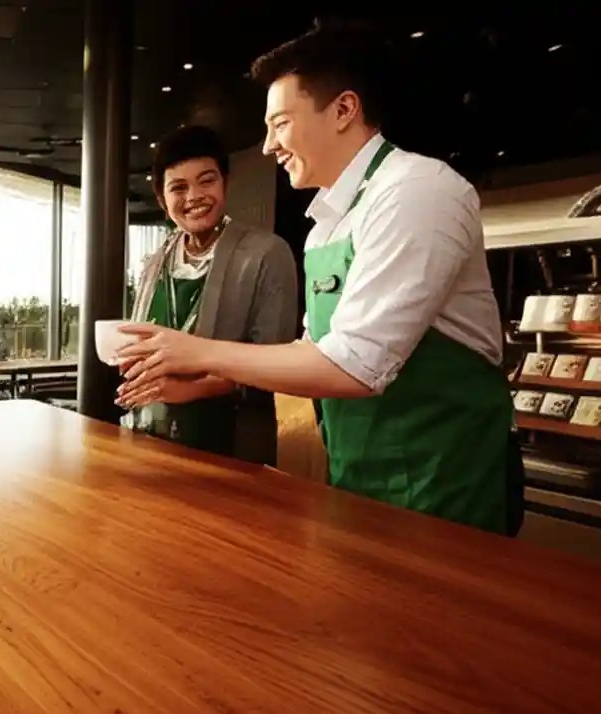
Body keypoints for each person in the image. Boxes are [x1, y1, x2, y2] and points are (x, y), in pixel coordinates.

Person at [117, 23, 519, 535]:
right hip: (359, 477)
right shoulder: (326, 224)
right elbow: (311, 353)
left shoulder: (417, 191)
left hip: (442, 482)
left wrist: (195, 353)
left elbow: (356, 366)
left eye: (279, 124)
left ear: (344, 110)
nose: (268, 146)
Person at [116, 125, 298, 465]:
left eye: (207, 180)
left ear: (225, 183)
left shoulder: (266, 254)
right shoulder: (155, 262)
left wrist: (188, 389)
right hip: (150, 440)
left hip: (233, 445)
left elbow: (276, 364)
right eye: (178, 187)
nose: (194, 196)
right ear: (162, 199)